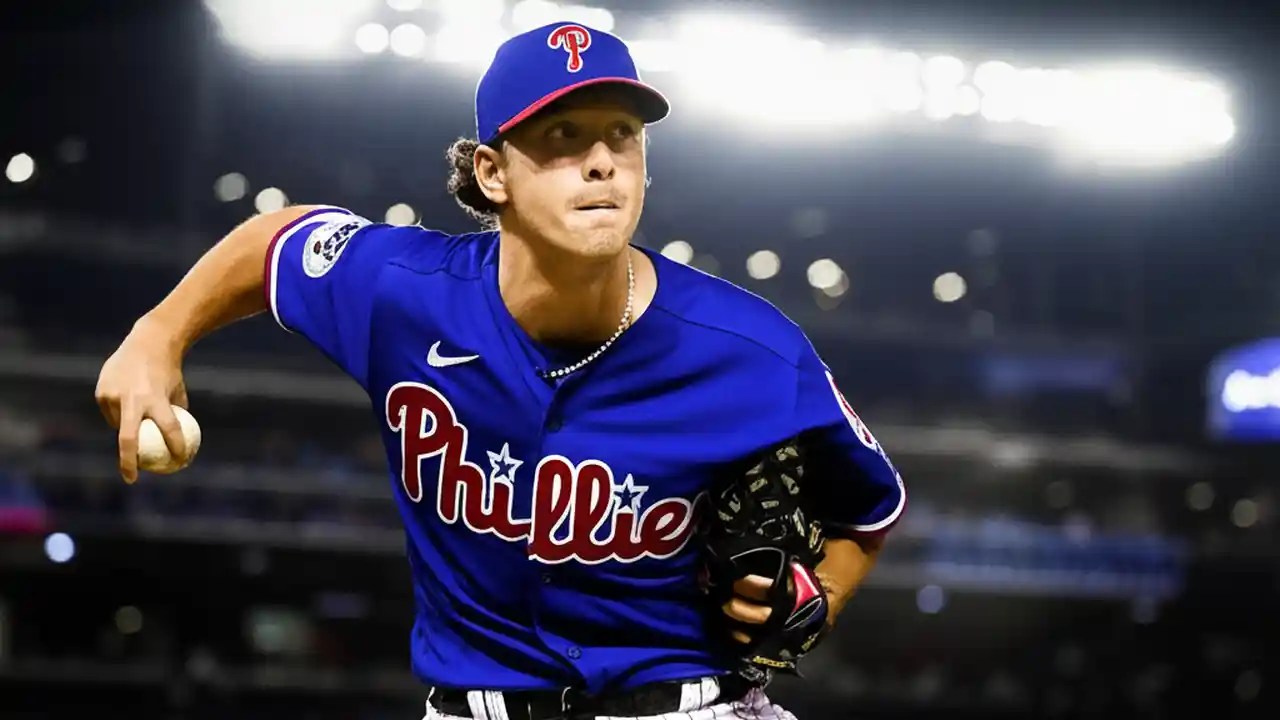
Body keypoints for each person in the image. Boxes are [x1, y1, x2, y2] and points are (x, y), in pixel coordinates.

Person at [94, 21, 906, 720]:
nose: (602, 162)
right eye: (562, 136)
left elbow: (870, 509)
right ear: (492, 174)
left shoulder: (749, 348)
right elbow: (277, 240)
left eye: (622, 135)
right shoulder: (405, 294)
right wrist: (158, 333)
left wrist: (813, 600)